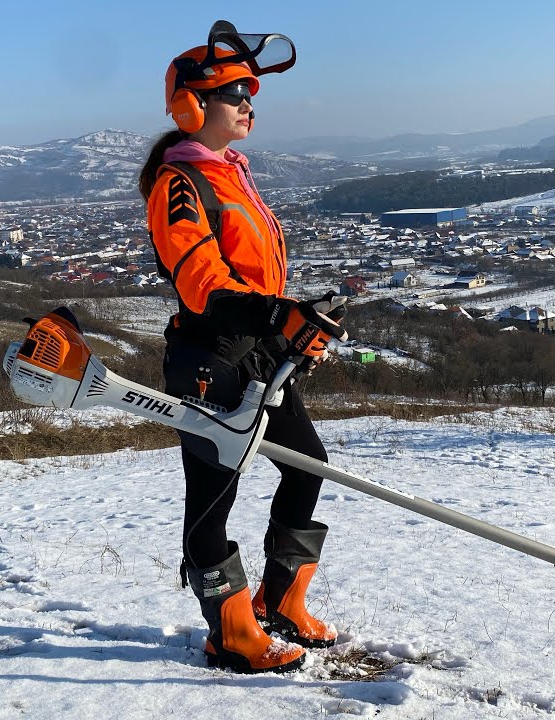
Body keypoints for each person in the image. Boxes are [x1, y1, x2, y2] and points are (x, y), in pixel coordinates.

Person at [138, 23, 346, 674]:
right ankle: (229, 633)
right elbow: (203, 284)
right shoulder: (180, 184)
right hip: (211, 361)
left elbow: (255, 277)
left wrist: (290, 322)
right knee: (212, 498)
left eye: (251, 96)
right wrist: (280, 313)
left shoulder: (229, 172)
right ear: (193, 106)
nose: (248, 106)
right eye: (234, 94)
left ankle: (280, 603)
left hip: (258, 357)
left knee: (307, 462)